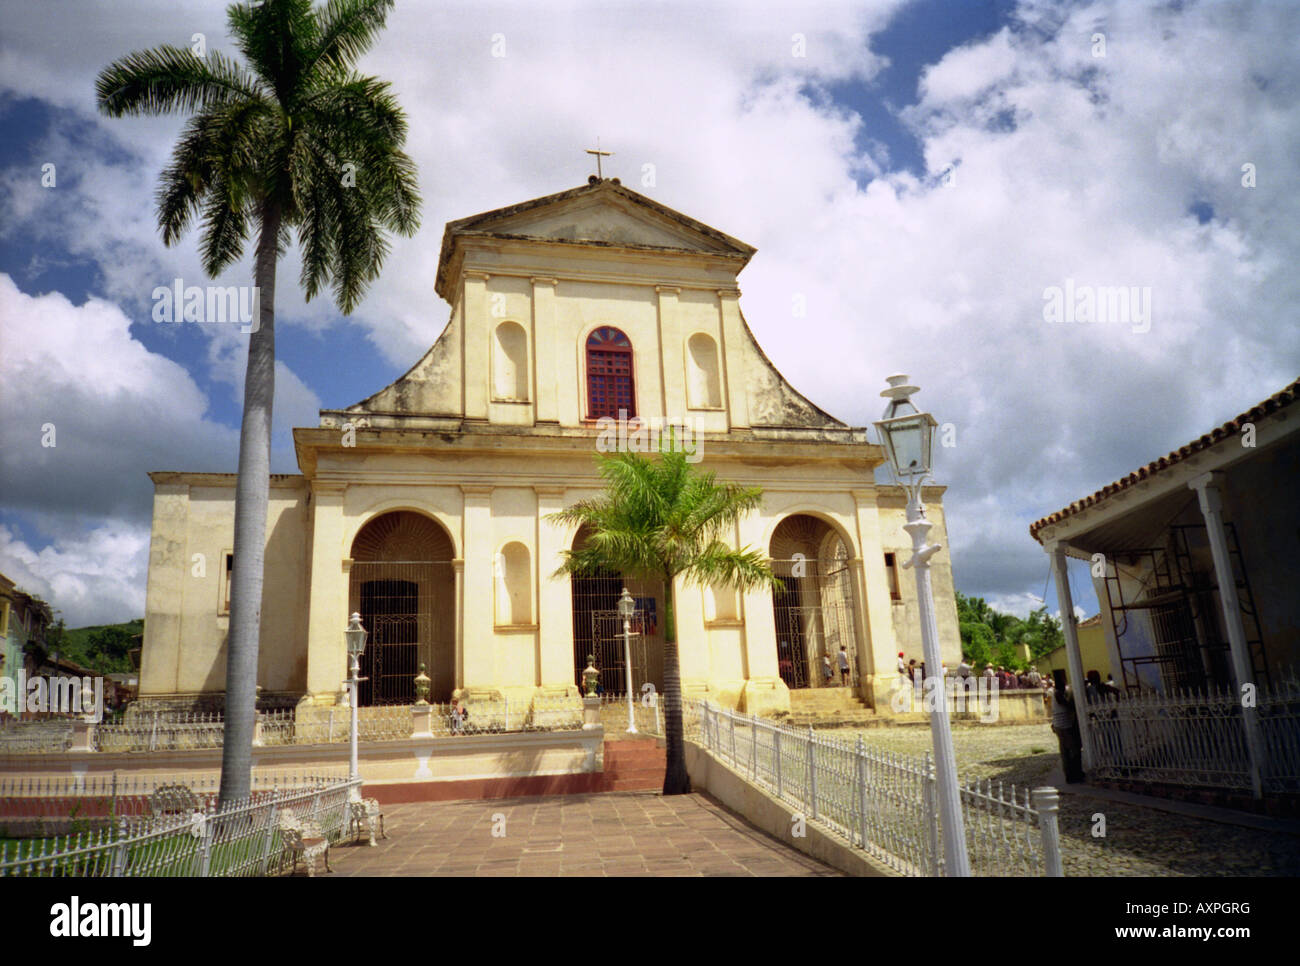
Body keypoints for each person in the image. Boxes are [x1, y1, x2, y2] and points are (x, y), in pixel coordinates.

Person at [1050, 670, 1084, 783]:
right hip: (1064, 725)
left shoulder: (1059, 692)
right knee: (1072, 750)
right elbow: (1066, 705)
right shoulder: (1058, 693)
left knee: (1066, 750)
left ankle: (1071, 774)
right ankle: (1073, 774)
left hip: (1061, 724)